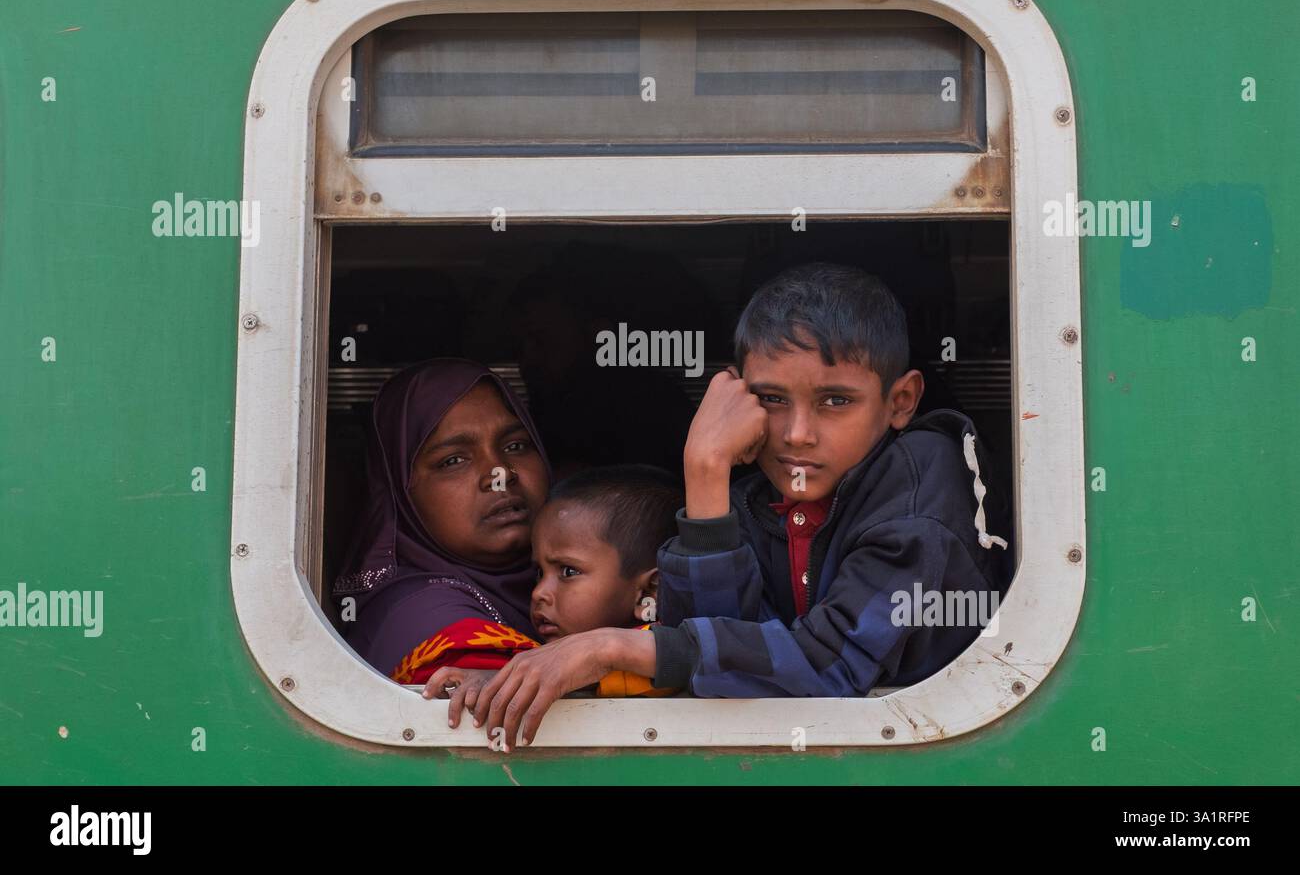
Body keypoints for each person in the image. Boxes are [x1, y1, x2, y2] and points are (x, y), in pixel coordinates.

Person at [464, 263, 1011, 749]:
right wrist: (706, 470)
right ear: (736, 399)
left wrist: (608, 648)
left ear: (901, 402)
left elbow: (829, 665)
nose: (797, 434)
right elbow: (723, 665)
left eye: (835, 401)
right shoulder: (757, 496)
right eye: (772, 400)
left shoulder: (921, 494)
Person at [332, 359, 550, 684]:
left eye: (516, 445)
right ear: (400, 491)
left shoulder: (560, 581)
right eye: (453, 461)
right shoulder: (419, 615)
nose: (500, 474)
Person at [424, 465, 681, 726]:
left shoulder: (676, 648)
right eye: (538, 572)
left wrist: (503, 680)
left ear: (649, 592)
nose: (539, 592)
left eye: (568, 571)